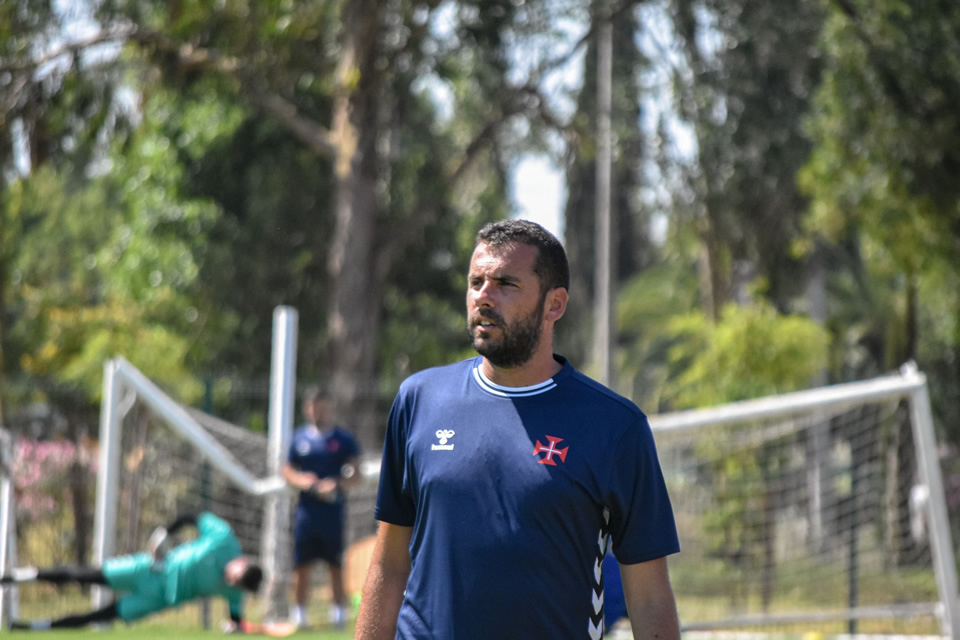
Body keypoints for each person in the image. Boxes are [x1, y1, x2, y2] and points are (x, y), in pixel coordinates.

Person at [355, 219, 681, 640]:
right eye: (476, 282)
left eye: (506, 284)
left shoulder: (615, 426)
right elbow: (389, 563)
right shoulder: (419, 399)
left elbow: (650, 595)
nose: (484, 297)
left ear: (554, 304)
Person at [2, 511, 263, 632]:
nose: (230, 581)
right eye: (234, 576)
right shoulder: (224, 538)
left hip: (157, 599)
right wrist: (164, 534)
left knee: (97, 616)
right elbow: (190, 517)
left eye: (235, 584)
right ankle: (14, 577)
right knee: (82, 575)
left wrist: (237, 628)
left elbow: (237, 619)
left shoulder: (235, 593)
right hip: (148, 568)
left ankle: (26, 628)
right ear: (241, 563)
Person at [282, 386, 361, 630]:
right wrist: (302, 481)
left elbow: (357, 474)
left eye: (323, 406)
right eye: (314, 406)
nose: (318, 411)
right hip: (306, 513)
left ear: (329, 408)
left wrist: (335, 484)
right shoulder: (299, 439)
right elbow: (287, 470)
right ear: (307, 408)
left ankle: (338, 615)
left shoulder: (343, 439)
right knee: (301, 565)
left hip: (332, 514)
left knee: (335, 565)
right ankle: (299, 616)